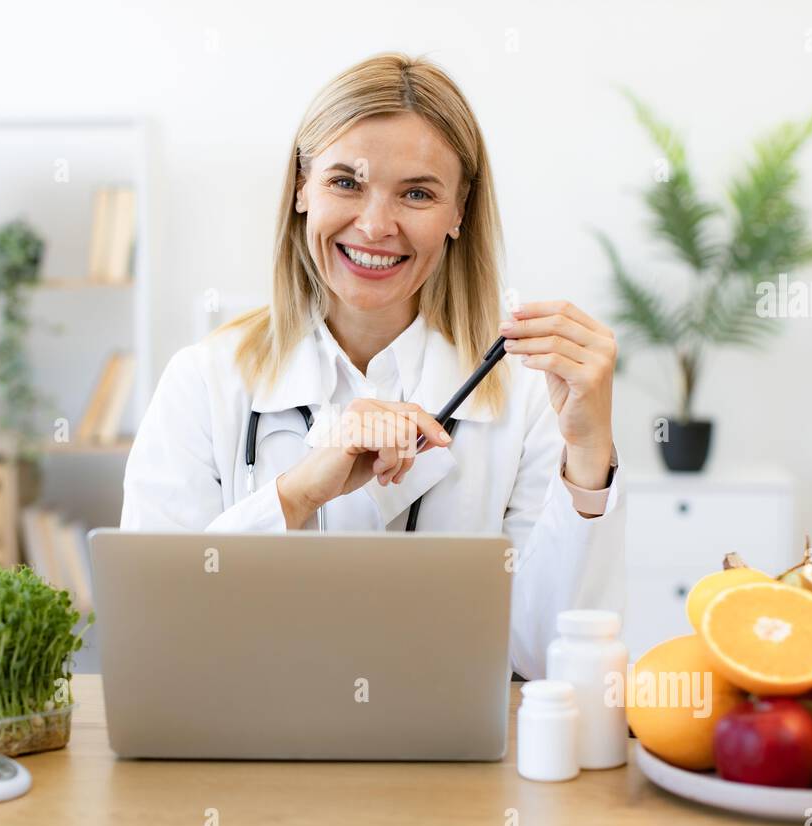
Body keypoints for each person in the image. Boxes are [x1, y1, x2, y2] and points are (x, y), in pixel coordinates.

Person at [121, 52, 624, 678]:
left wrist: (588, 453)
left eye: (417, 193)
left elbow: (546, 656)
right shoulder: (203, 380)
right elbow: (158, 633)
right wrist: (298, 494)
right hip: (250, 760)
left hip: (453, 764)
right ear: (301, 188)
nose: (376, 225)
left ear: (459, 213)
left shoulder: (524, 395)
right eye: (346, 182)